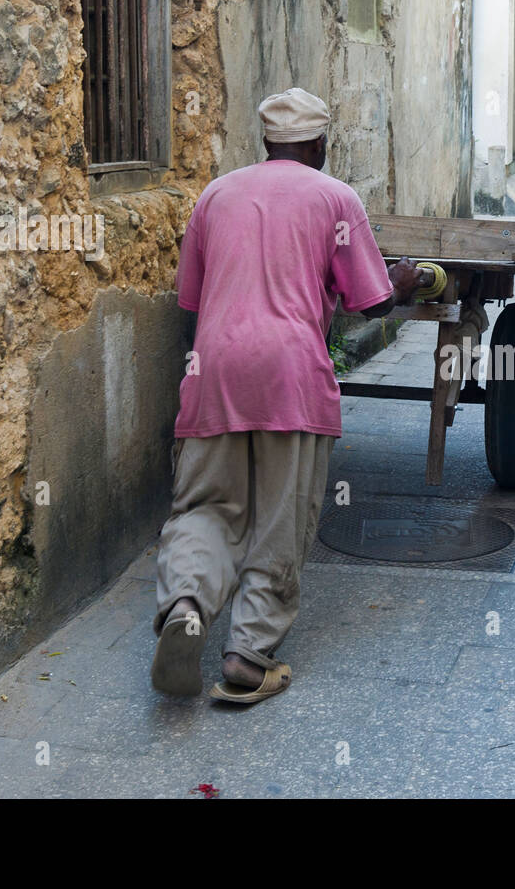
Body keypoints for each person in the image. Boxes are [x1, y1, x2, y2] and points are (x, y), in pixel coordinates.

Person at [150, 88, 425, 704]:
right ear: (322, 145)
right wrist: (402, 283)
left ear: (265, 144)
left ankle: (187, 603)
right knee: (280, 516)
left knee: (203, 507)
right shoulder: (335, 198)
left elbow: (192, 301)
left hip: (212, 369)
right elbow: (370, 300)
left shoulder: (216, 195)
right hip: (290, 375)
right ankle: (248, 654)